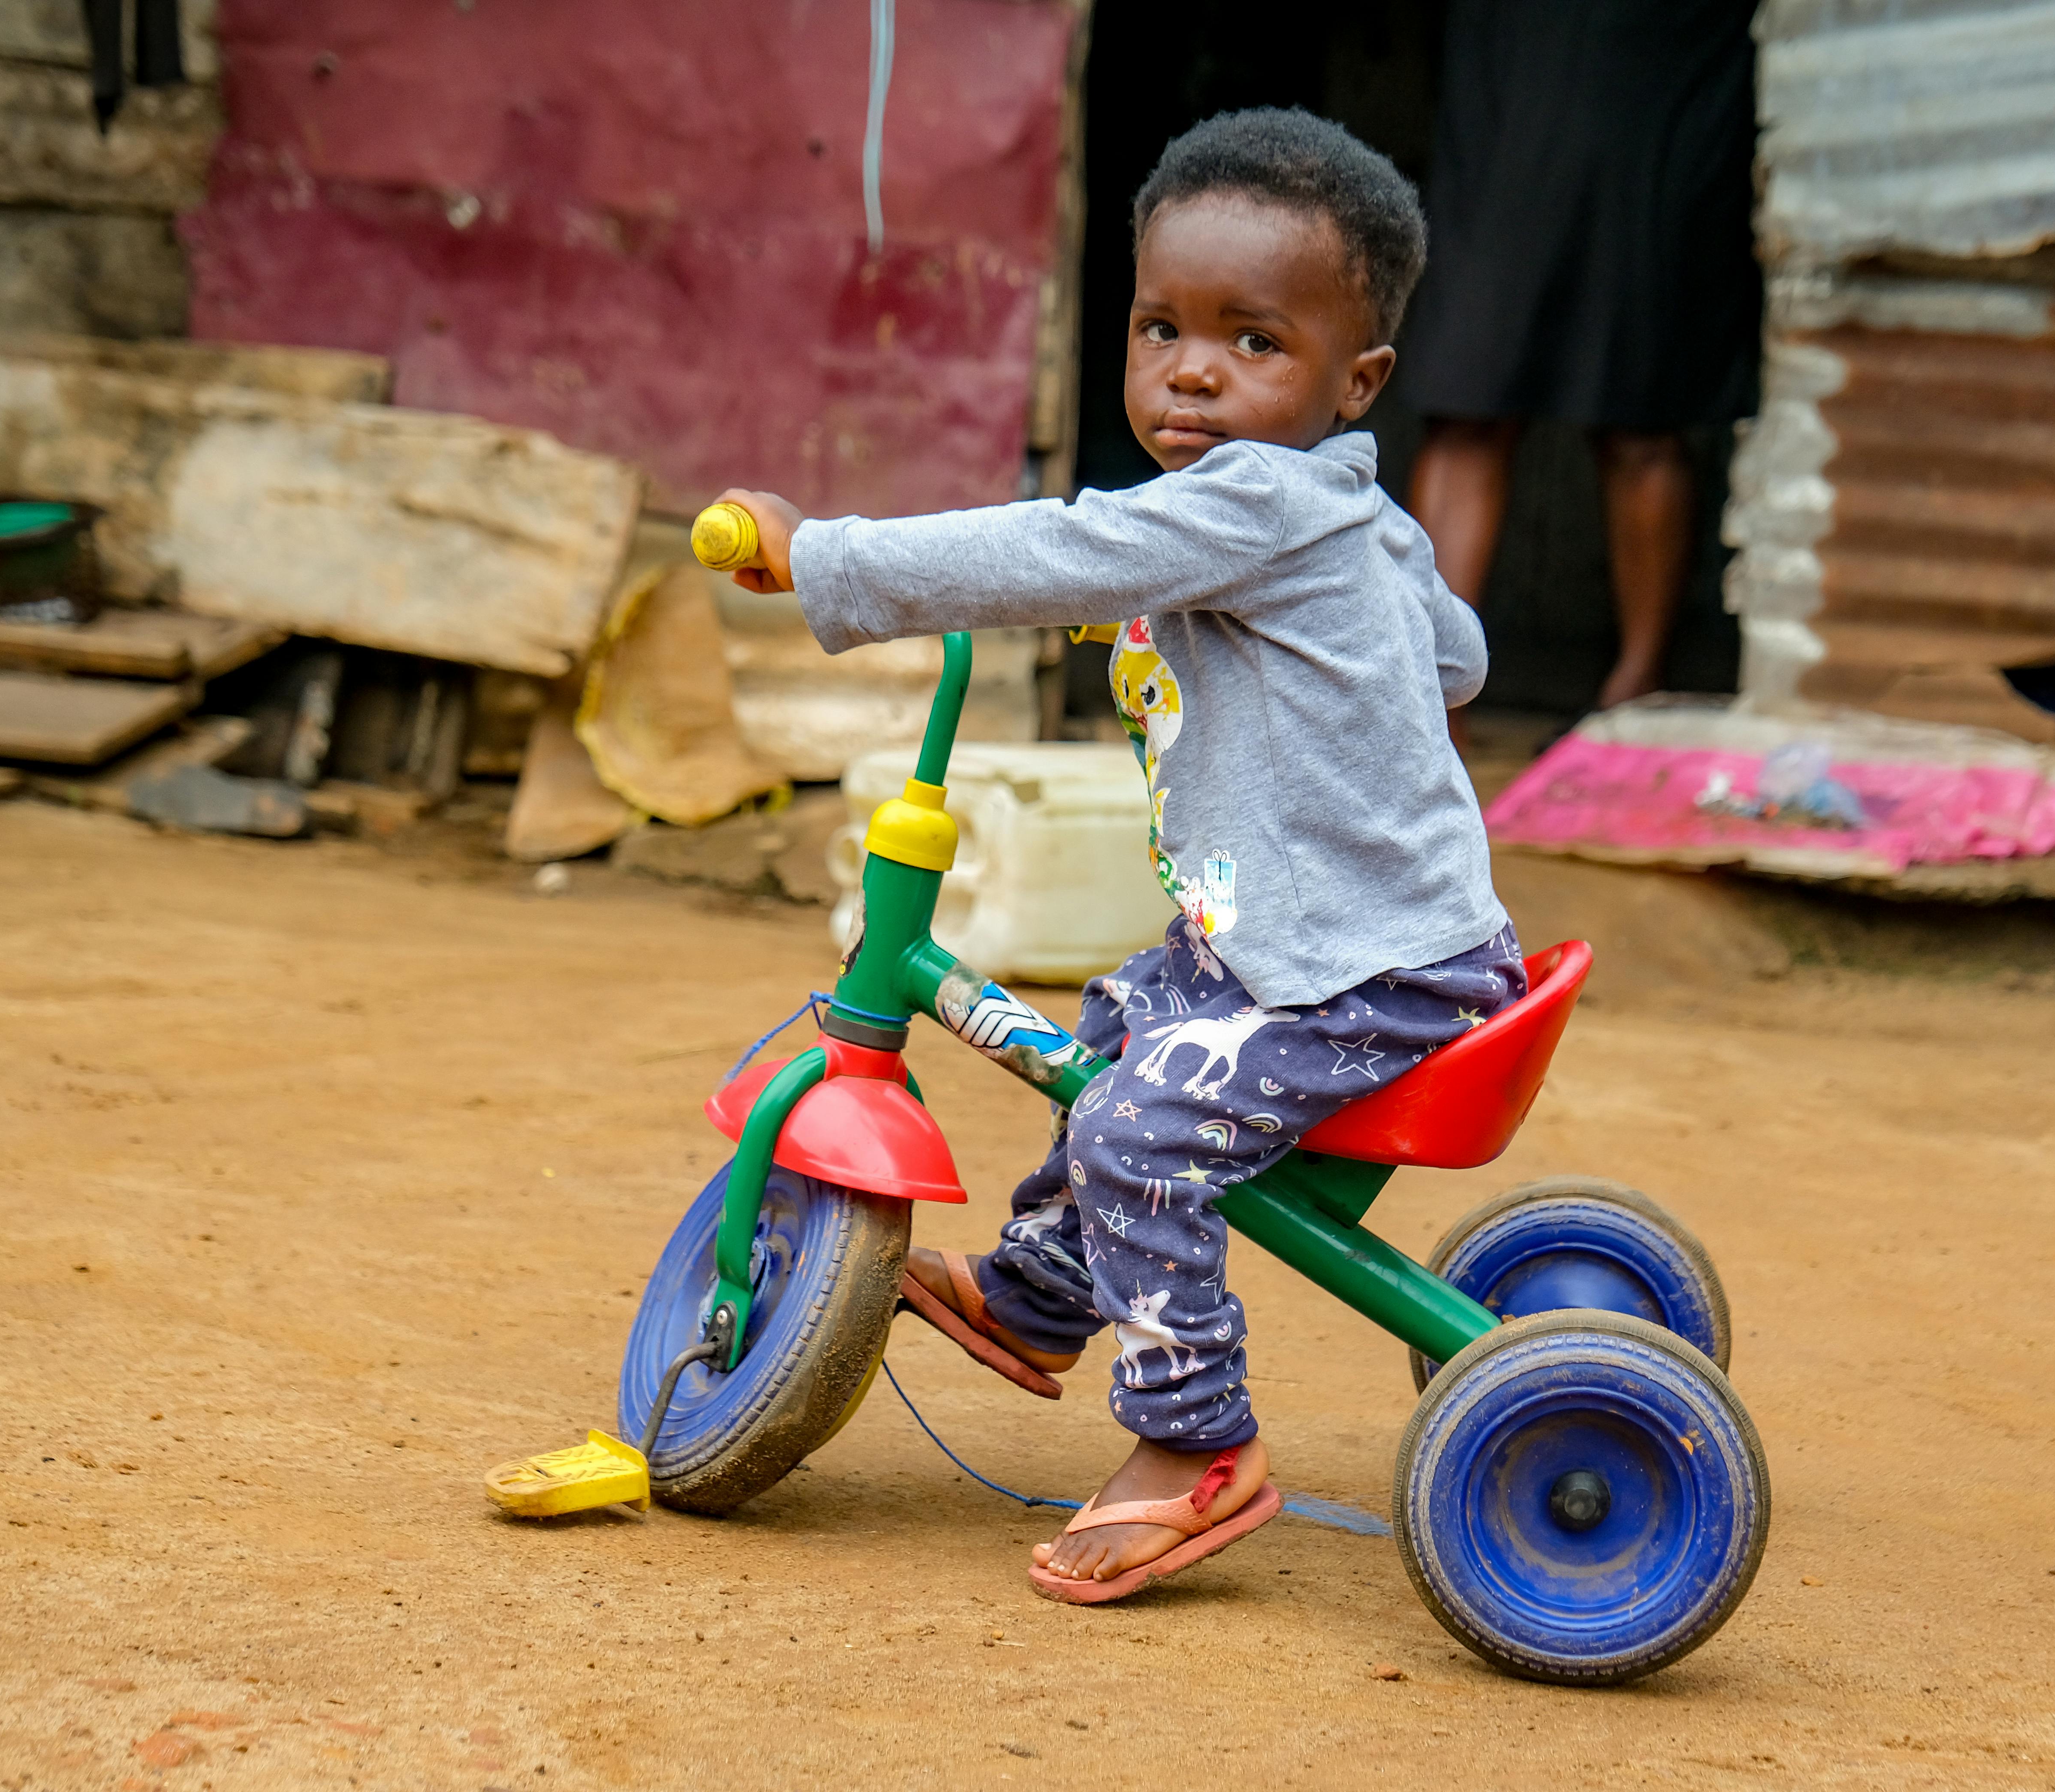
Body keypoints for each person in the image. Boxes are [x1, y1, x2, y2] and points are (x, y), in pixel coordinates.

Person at [713, 108, 1524, 1602]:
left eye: (1254, 340)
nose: (1194, 370)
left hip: (1369, 973)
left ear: (1359, 380)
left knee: (1142, 1127)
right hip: (1336, 939)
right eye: (1162, 327)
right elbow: (1458, 659)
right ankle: (1040, 1296)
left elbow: (1065, 547)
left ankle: (1195, 1443)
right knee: (1123, 1017)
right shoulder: (1343, 503)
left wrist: (821, 555)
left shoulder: (1254, 501)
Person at [1401, 0, 1762, 716]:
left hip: (1654, 62)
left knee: (1641, 408)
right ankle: (1427, 711)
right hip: (1511, 58)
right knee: (1468, 401)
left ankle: (1636, 697)